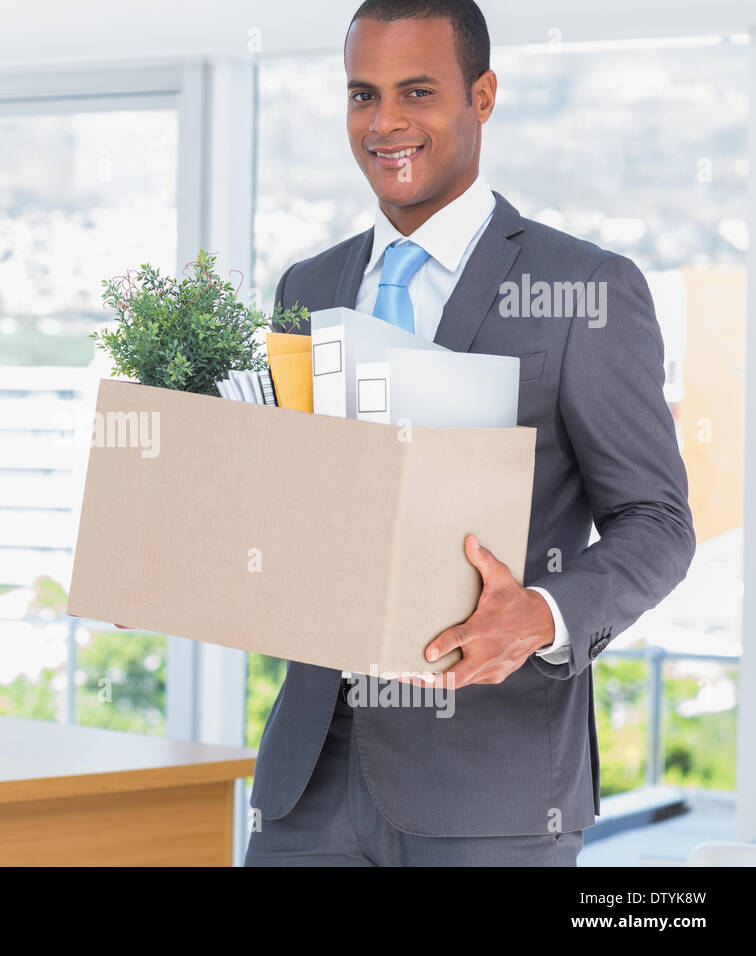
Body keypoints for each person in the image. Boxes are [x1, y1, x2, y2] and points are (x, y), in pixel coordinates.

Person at [244, 0, 695, 866]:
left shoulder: (587, 289)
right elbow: (290, 499)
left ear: (482, 96)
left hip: (494, 791)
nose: (385, 124)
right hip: (307, 781)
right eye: (362, 95)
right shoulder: (308, 283)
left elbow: (659, 525)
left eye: (417, 91)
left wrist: (540, 615)